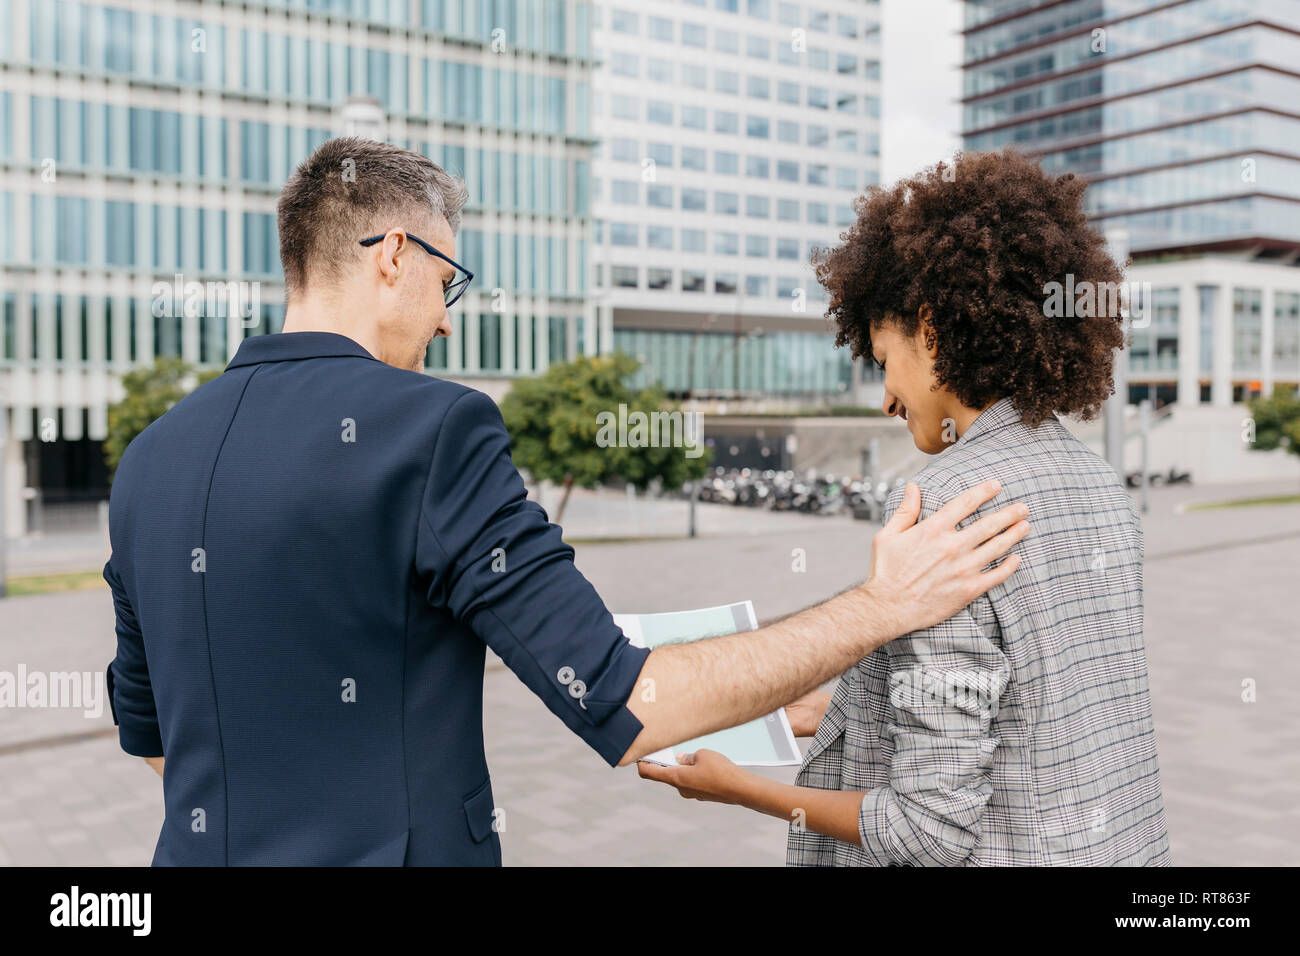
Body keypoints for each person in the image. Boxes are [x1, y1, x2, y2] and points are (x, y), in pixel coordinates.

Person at [103, 137, 1029, 866]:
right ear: (393, 255)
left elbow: (154, 743)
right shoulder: (433, 429)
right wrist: (880, 607)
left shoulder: (149, 461)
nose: (446, 317)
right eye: (446, 280)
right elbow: (627, 703)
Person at [639, 149, 1172, 867]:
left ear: (930, 329)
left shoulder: (945, 503)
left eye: (884, 358)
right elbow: (1017, 710)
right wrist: (829, 713)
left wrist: (744, 790)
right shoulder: (1101, 484)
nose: (886, 398)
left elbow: (926, 830)